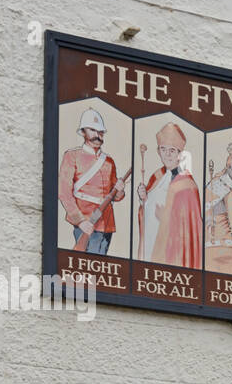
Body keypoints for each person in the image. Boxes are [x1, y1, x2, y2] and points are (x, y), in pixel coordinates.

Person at [57, 108, 125, 255]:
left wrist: (119, 190)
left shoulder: (109, 161)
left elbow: (116, 196)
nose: (97, 136)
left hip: (106, 223)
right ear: (83, 132)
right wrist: (80, 221)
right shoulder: (72, 156)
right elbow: (64, 192)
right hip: (87, 220)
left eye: (100, 132)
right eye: (93, 130)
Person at [137, 122, 203, 268]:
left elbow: (190, 228)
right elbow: (147, 210)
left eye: (172, 150)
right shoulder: (157, 176)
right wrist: (145, 200)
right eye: (163, 149)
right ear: (158, 151)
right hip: (151, 242)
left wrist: (166, 218)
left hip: (171, 251)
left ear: (180, 154)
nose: (167, 154)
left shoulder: (187, 186)